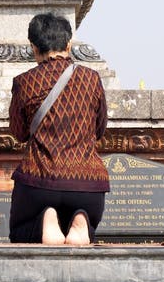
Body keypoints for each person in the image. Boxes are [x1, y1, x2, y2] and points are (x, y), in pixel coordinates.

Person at [8, 13, 110, 245]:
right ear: (68, 44)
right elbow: (100, 128)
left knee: (19, 233)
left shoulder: (24, 82)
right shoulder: (92, 79)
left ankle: (45, 218)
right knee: (86, 229)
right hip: (87, 185)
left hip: (38, 183)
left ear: (34, 47)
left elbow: (19, 132)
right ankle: (81, 219)